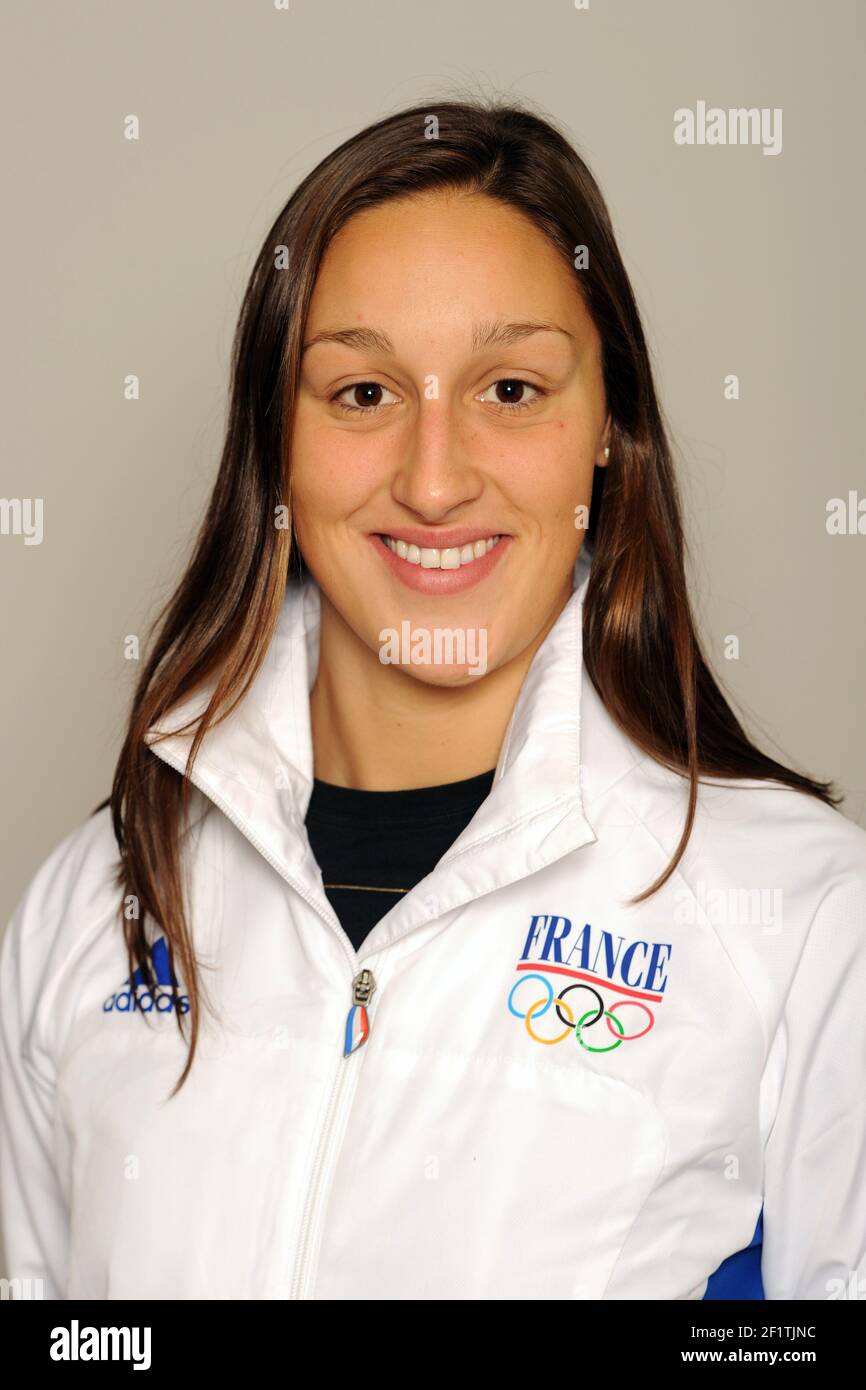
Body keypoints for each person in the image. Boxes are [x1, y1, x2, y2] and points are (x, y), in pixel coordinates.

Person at [1, 97, 865, 1302]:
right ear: (277, 445)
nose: (434, 477)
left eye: (509, 389)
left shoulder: (807, 917)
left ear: (607, 430)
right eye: (362, 394)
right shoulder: (91, 905)